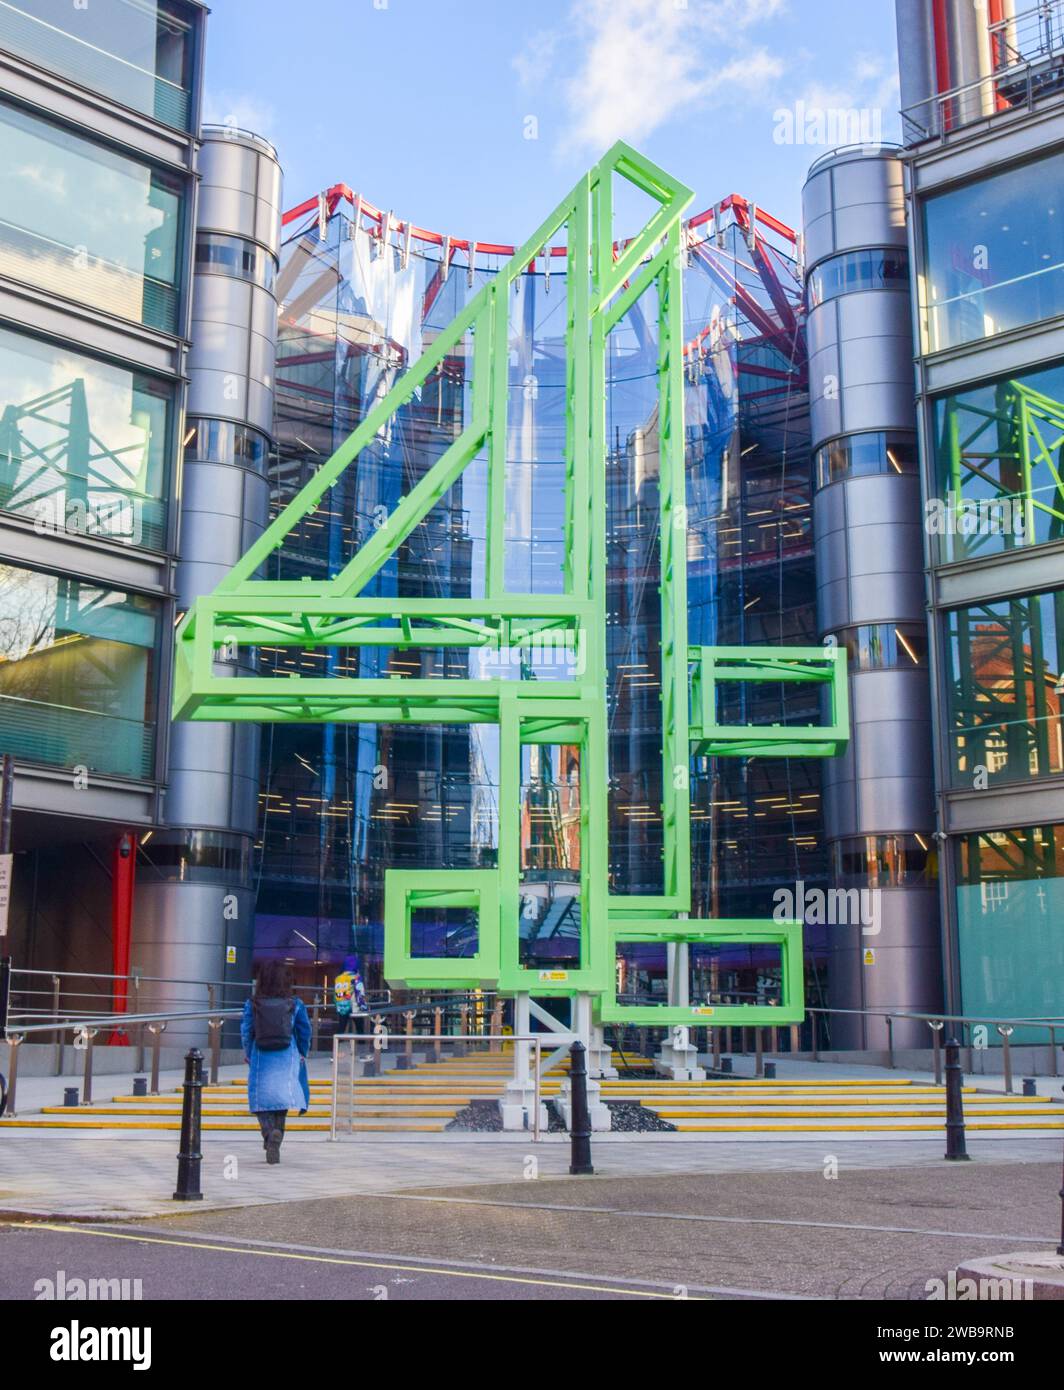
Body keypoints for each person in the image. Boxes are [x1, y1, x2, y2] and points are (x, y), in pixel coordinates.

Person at [241, 960, 310, 1164]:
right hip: (287, 1053)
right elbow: (305, 1030)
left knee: (260, 1101)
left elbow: (246, 1031)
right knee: (282, 1099)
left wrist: (248, 1053)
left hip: (261, 1053)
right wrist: (303, 1051)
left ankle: (269, 1133)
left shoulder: (252, 1004)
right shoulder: (295, 1004)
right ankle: (277, 1135)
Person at [333, 955, 368, 1036]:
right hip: (354, 1006)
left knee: (341, 1027)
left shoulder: (338, 978)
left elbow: (336, 993)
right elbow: (359, 993)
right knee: (360, 1028)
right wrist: (363, 1006)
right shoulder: (356, 978)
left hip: (341, 1006)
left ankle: (338, 1045)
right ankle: (361, 1046)